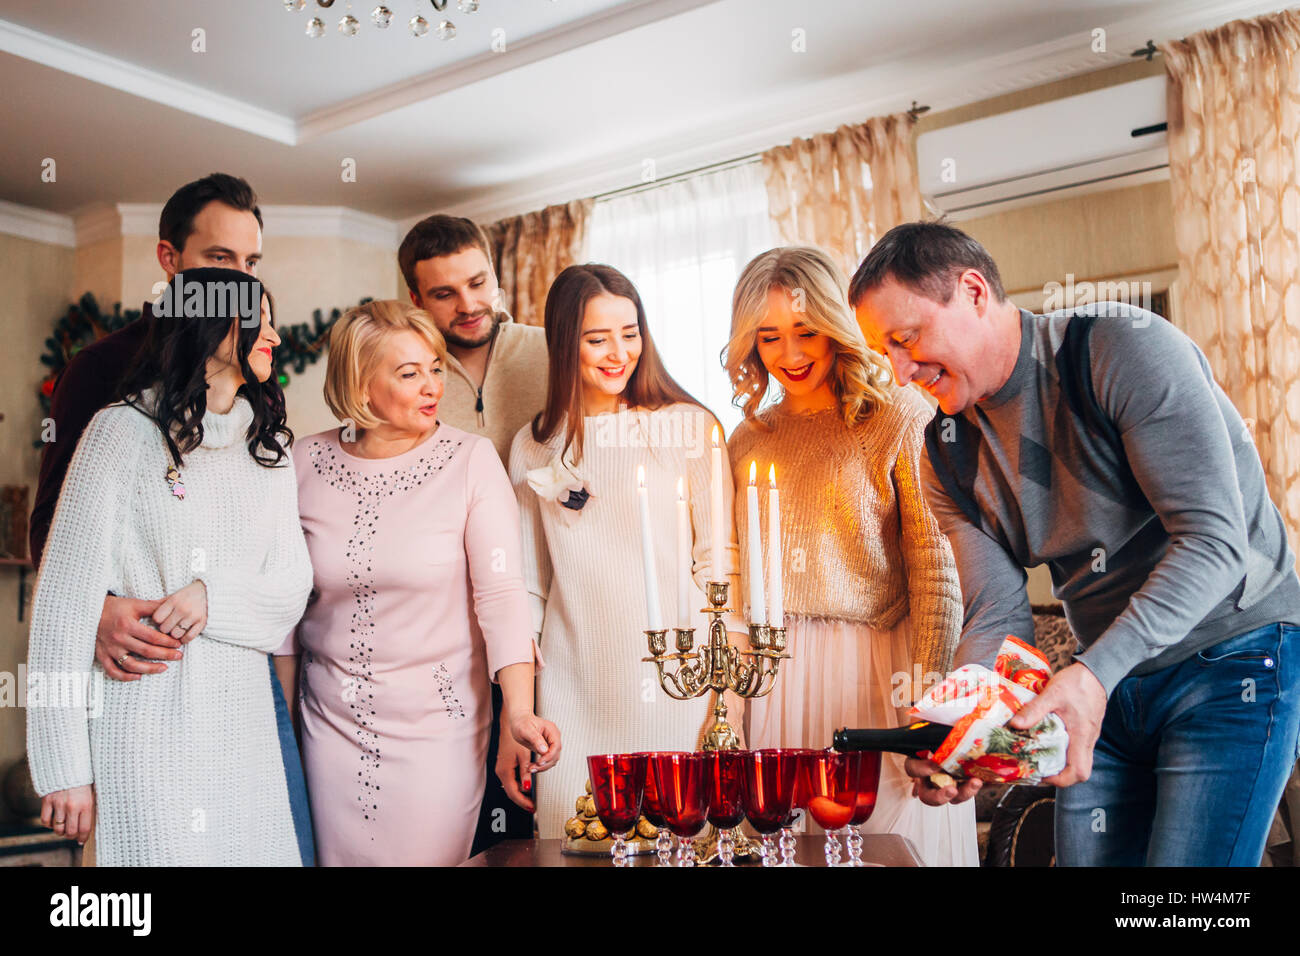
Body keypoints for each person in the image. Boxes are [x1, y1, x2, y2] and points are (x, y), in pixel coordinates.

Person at [849, 220, 1300, 866]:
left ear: (974, 292)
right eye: (882, 352)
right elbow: (997, 614)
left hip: (1231, 659)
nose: (898, 372)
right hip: (1109, 681)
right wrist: (968, 730)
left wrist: (1092, 675)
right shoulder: (944, 454)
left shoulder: (1118, 350)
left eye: (906, 338)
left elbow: (1216, 543)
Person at [27, 173, 316, 865]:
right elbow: (64, 605)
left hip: (243, 720)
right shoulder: (118, 428)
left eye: (253, 270)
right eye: (229, 272)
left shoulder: (267, 445)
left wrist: (211, 599)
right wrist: (63, 765)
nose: (273, 334)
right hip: (142, 719)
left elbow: (290, 589)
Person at [273, 299, 558, 866]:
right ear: (359, 383)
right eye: (409, 373)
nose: (433, 386)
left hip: (439, 732)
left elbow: (501, 596)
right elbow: (285, 610)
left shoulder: (471, 460)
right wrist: (277, 731)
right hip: (329, 728)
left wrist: (518, 714)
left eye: (434, 366)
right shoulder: (299, 463)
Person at [723, 246, 976, 866]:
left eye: (807, 331)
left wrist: (931, 695)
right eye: (769, 337)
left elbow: (935, 565)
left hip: (879, 666)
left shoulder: (899, 415)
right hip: (775, 672)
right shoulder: (747, 440)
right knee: (786, 846)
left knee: (884, 846)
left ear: (838, 323)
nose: (791, 354)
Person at [509, 263, 747, 839]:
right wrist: (511, 729)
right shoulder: (532, 444)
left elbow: (723, 572)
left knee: (681, 844)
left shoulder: (689, 428)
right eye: (597, 338)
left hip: (678, 687)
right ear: (566, 342)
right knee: (576, 846)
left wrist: (728, 708)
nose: (619, 352)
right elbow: (525, 592)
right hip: (570, 693)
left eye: (630, 332)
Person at [398, 215, 550, 846]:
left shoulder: (551, 352)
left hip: (557, 622)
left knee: (560, 815)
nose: (468, 305)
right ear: (414, 298)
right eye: (443, 293)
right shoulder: (404, 379)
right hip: (450, 641)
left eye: (478, 282)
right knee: (479, 833)